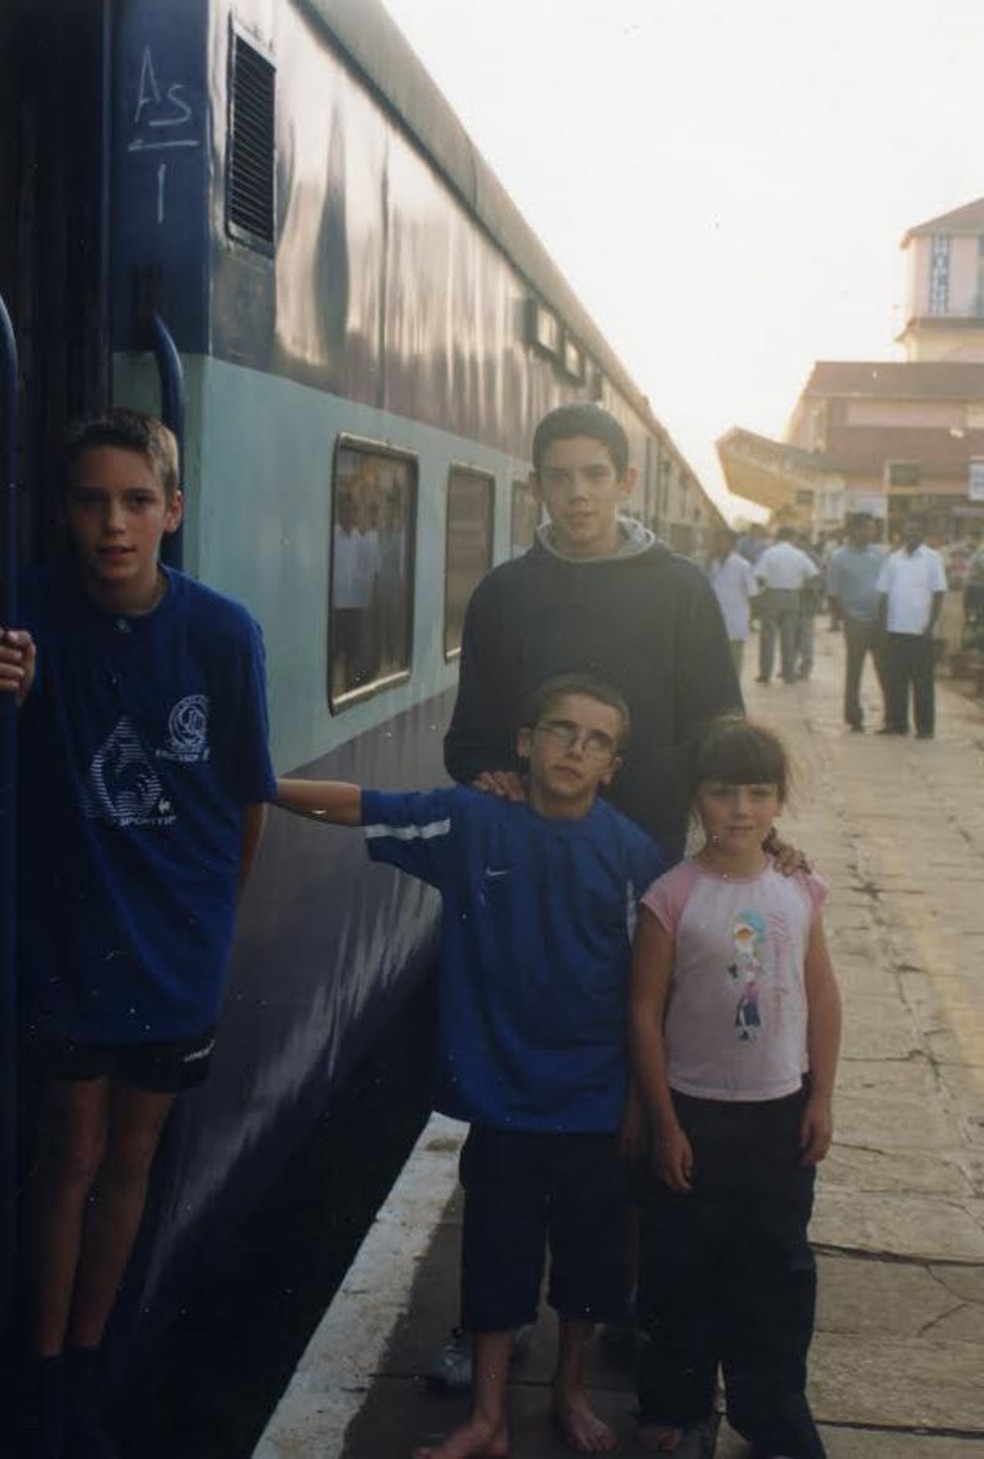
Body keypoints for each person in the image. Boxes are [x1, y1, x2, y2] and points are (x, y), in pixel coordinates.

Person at [275, 674, 669, 1459]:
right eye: (560, 731)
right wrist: (252, 781)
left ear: (612, 766)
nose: (575, 749)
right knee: (496, 1252)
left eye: (596, 741)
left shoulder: (633, 856)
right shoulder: (472, 820)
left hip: (595, 1098)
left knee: (591, 1263)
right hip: (505, 1101)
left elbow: (652, 989)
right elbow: (364, 805)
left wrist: (639, 1101)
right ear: (526, 742)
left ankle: (570, 1389)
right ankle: (487, 1416)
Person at [0, 408, 276, 1459]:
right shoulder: (27, 609)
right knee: (69, 1149)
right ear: (65, 511)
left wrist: (208, 922)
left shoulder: (221, 631)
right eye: (90, 500)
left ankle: (87, 1363)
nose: (112, 523)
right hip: (71, 938)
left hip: (176, 944)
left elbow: (245, 797)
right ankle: (44, 1381)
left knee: (133, 1153)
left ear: (173, 509)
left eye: (134, 500)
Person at [630, 717, 841, 1459]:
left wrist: (819, 1095)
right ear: (697, 799)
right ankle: (677, 1407)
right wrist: (665, 1122)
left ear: (780, 802)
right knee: (680, 1267)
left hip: (779, 1115)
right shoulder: (672, 897)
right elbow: (645, 1013)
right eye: (723, 792)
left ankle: (772, 1414)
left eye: (758, 792)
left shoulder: (798, 889)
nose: (741, 809)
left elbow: (822, 995)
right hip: (693, 1112)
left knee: (775, 1273)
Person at [444, 402, 742, 866]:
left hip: (646, 842)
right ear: (536, 487)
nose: (577, 493)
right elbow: (469, 737)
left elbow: (717, 721)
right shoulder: (502, 593)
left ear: (626, 482)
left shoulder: (680, 589)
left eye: (595, 475)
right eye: (559, 478)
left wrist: (747, 830)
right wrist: (489, 773)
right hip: (525, 842)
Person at [876, 515, 946, 738]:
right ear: (902, 533)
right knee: (895, 680)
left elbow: (938, 594)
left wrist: (930, 626)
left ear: (923, 535)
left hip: (920, 631)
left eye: (916, 530)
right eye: (908, 530)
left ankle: (925, 727)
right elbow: (884, 594)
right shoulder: (893, 560)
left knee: (922, 682)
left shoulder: (932, 558)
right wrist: (883, 626)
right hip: (895, 630)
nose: (911, 534)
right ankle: (896, 724)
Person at [826, 515, 888, 732]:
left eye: (873, 529)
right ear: (854, 530)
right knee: (855, 670)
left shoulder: (878, 555)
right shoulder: (838, 558)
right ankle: (854, 716)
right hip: (855, 622)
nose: (871, 533)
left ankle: (892, 715)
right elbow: (832, 593)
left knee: (885, 669)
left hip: (879, 621)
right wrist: (843, 618)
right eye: (868, 529)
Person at [753, 527, 820, 685]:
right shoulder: (799, 555)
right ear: (792, 537)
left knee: (768, 636)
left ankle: (765, 673)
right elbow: (814, 574)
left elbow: (759, 576)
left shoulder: (769, 553)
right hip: (793, 597)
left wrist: (761, 594)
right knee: (789, 636)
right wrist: (802, 585)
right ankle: (788, 673)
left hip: (772, 594)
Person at [707, 528, 759, 678]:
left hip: (736, 618)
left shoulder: (742, 565)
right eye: (716, 541)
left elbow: (753, 594)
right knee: (714, 658)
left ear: (732, 543)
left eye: (723, 541)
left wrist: (752, 618)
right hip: (714, 618)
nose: (718, 545)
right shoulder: (712, 563)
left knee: (734, 659)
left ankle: (733, 694)